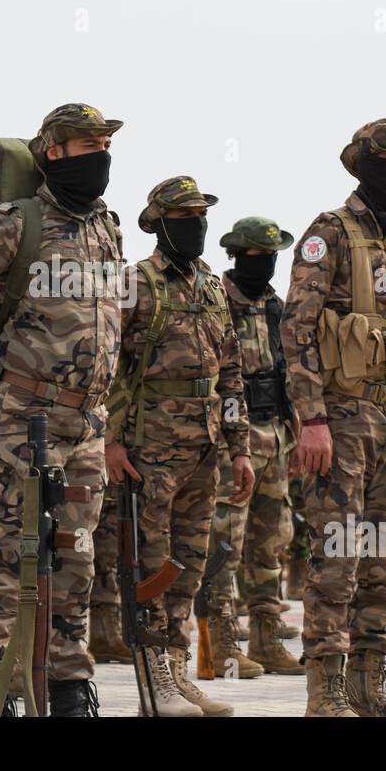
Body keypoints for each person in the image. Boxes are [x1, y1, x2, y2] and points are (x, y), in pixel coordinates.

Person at [0, 103, 122, 717]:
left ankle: (64, 689)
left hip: (85, 422)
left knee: (76, 558)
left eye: (104, 145)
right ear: (52, 153)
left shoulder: (107, 227)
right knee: (11, 560)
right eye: (86, 145)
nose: (100, 157)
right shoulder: (15, 222)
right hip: (20, 421)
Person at [281, 118, 386, 717]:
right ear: (365, 166)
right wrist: (311, 420)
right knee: (338, 556)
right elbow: (296, 330)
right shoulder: (330, 234)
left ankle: (370, 687)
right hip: (342, 420)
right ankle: (328, 692)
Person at [104, 177, 255, 716]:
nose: (197, 224)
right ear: (161, 221)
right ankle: (154, 680)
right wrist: (110, 441)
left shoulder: (211, 285)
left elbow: (232, 370)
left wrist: (240, 446)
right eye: (186, 215)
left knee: (189, 566)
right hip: (150, 450)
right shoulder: (134, 282)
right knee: (151, 568)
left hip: (207, 447)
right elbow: (107, 366)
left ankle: (177, 668)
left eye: (201, 214)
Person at [207, 216, 300, 676]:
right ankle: (222, 645)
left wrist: (295, 432)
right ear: (236, 256)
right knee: (225, 541)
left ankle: (267, 639)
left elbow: (289, 373)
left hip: (276, 436)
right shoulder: (217, 303)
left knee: (271, 541)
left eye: (270, 257)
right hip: (232, 442)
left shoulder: (276, 307)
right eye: (255, 256)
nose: (263, 265)